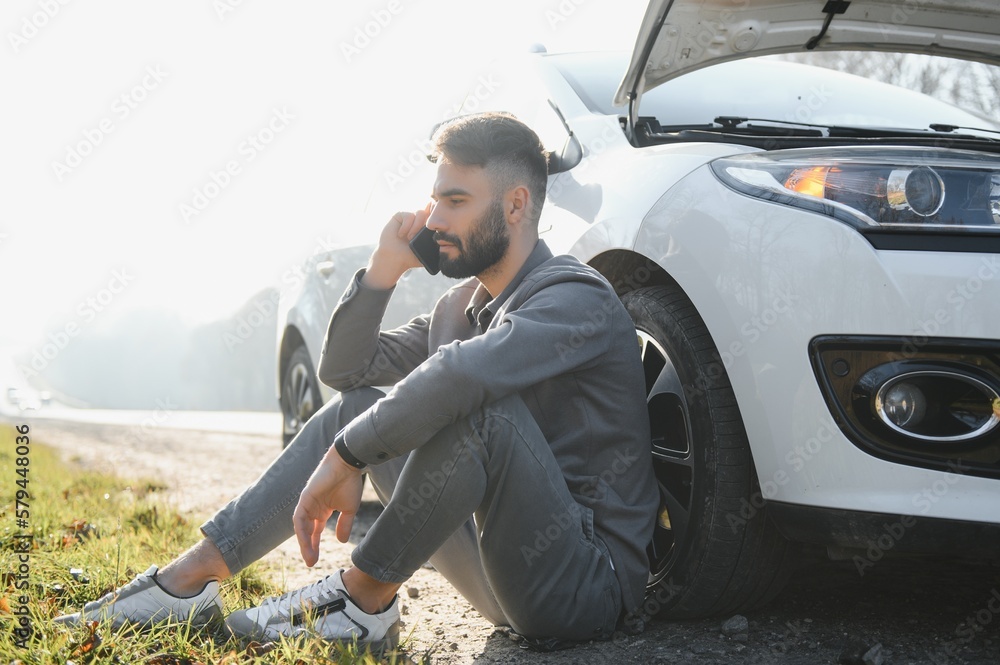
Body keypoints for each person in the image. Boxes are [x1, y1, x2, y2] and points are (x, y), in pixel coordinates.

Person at [55, 111, 659, 650]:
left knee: (475, 408)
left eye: (455, 201)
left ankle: (362, 599)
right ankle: (191, 579)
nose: (434, 218)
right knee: (363, 406)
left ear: (516, 205)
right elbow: (347, 374)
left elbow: (460, 378)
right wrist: (382, 270)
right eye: (434, 201)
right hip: (499, 578)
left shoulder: (574, 296)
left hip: (583, 582)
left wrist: (346, 460)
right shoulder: (457, 311)